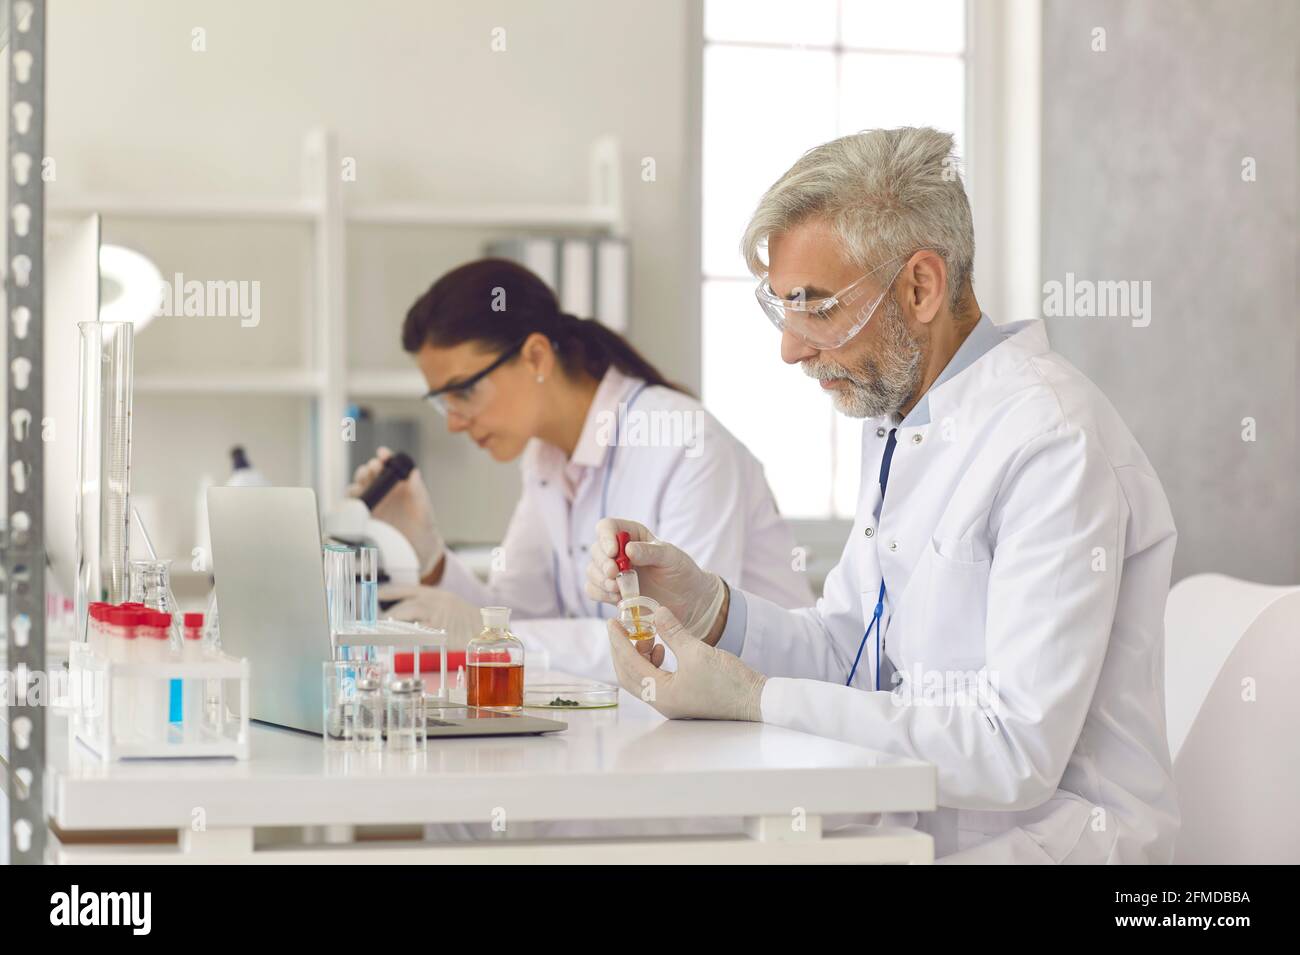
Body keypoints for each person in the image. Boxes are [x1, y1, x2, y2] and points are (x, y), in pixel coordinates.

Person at [587, 127, 1179, 863]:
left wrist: (754, 698)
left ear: (921, 286)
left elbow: (1013, 747)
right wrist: (711, 609)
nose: (792, 348)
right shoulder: (902, 417)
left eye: (817, 306)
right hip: (910, 830)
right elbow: (851, 651)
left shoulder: (1052, 442)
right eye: (782, 309)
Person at [349, 258, 811, 678]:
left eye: (463, 393)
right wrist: (427, 556)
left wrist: (480, 631)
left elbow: (676, 643)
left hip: (772, 727)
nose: (452, 422)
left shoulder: (683, 441)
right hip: (671, 725)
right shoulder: (546, 459)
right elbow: (516, 619)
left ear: (535, 357)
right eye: (441, 403)